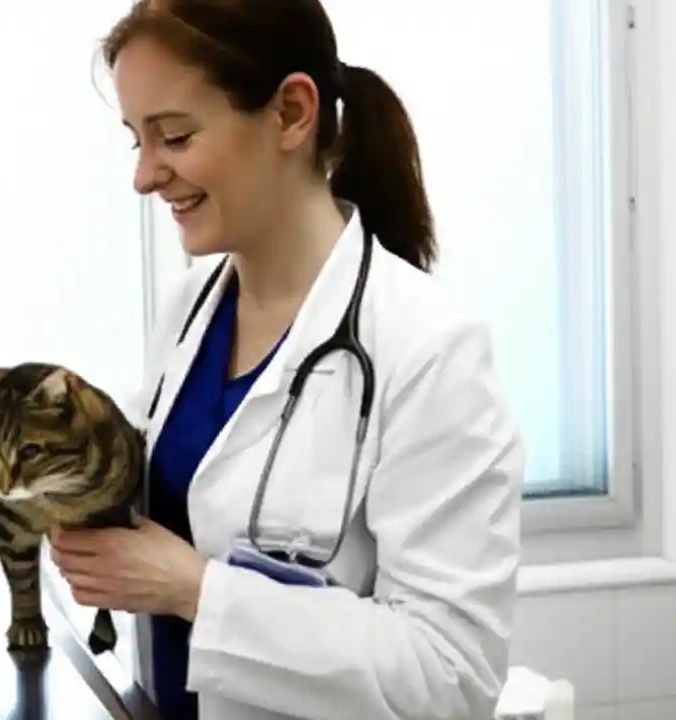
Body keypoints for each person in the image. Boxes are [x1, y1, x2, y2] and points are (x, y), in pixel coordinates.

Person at [48, 1, 525, 719]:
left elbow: (451, 675)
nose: (145, 177)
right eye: (135, 141)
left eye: (173, 135)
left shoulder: (426, 349)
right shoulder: (187, 314)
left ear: (292, 114)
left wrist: (194, 590)